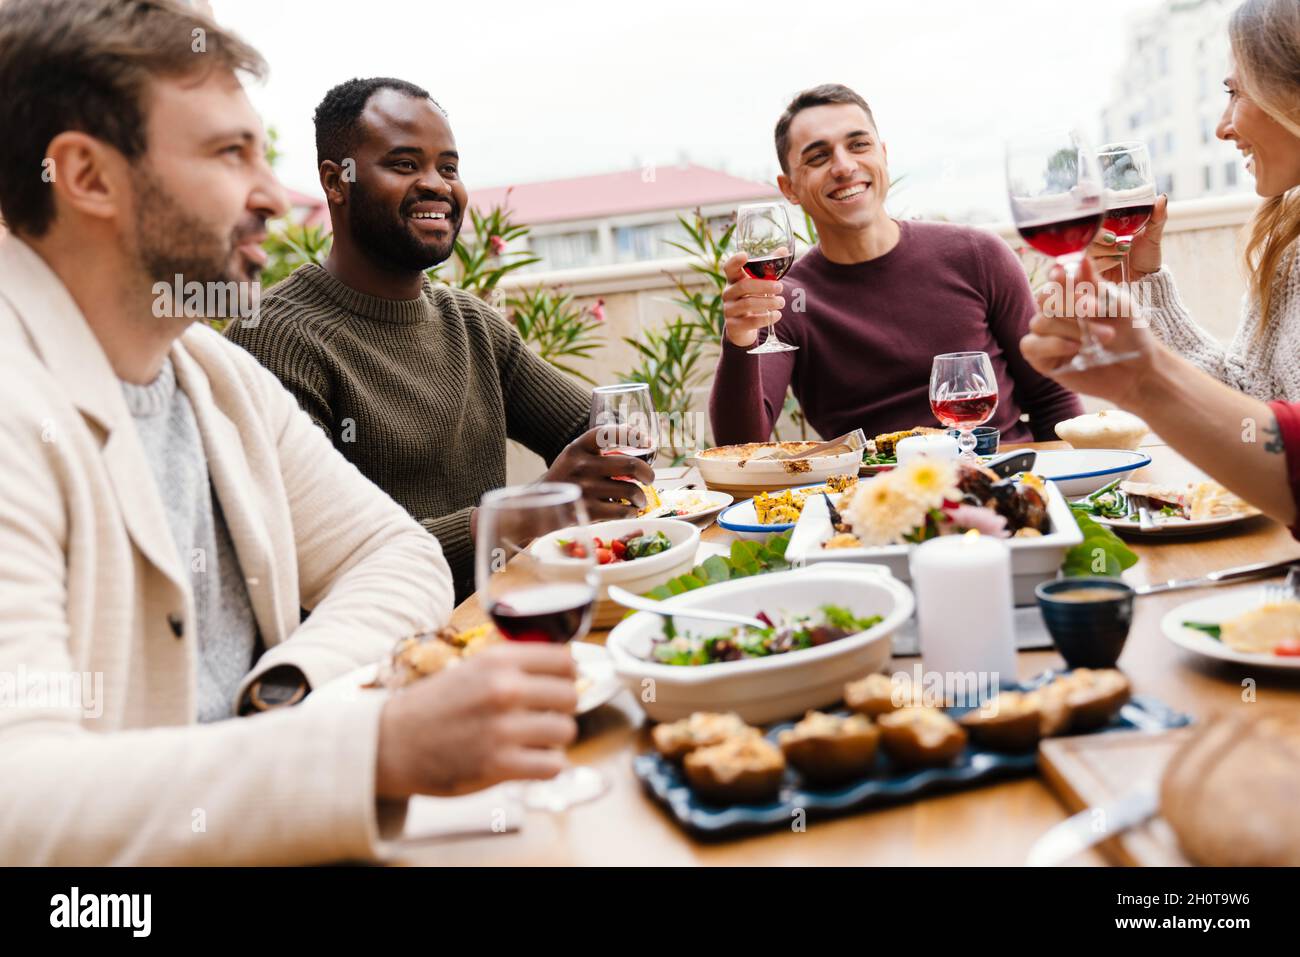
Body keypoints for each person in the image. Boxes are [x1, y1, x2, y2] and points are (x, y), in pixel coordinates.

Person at [0, 0, 579, 865]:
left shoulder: (211, 371)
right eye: (231, 154)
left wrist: (282, 694)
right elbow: (20, 800)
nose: (273, 195)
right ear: (87, 177)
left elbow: (398, 555)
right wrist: (370, 748)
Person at [225, 77, 653, 602]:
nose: (437, 185)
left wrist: (620, 450)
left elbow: (598, 433)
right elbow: (318, 561)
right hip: (379, 658)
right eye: (405, 165)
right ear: (336, 182)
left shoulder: (471, 324)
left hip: (501, 623)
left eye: (448, 167)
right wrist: (524, 513)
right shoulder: (275, 338)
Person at [708, 83, 1082, 447]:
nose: (844, 166)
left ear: (883, 154)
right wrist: (739, 337)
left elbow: (1053, 399)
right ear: (789, 188)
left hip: (1003, 482)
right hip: (876, 501)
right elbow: (739, 448)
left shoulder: (978, 255)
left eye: (859, 145)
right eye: (818, 157)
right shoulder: (786, 300)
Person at [1088, 0, 1300, 402]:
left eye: (1235, 92)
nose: (1222, 128)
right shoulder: (1289, 245)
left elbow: (1262, 438)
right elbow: (1247, 411)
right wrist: (1141, 282)